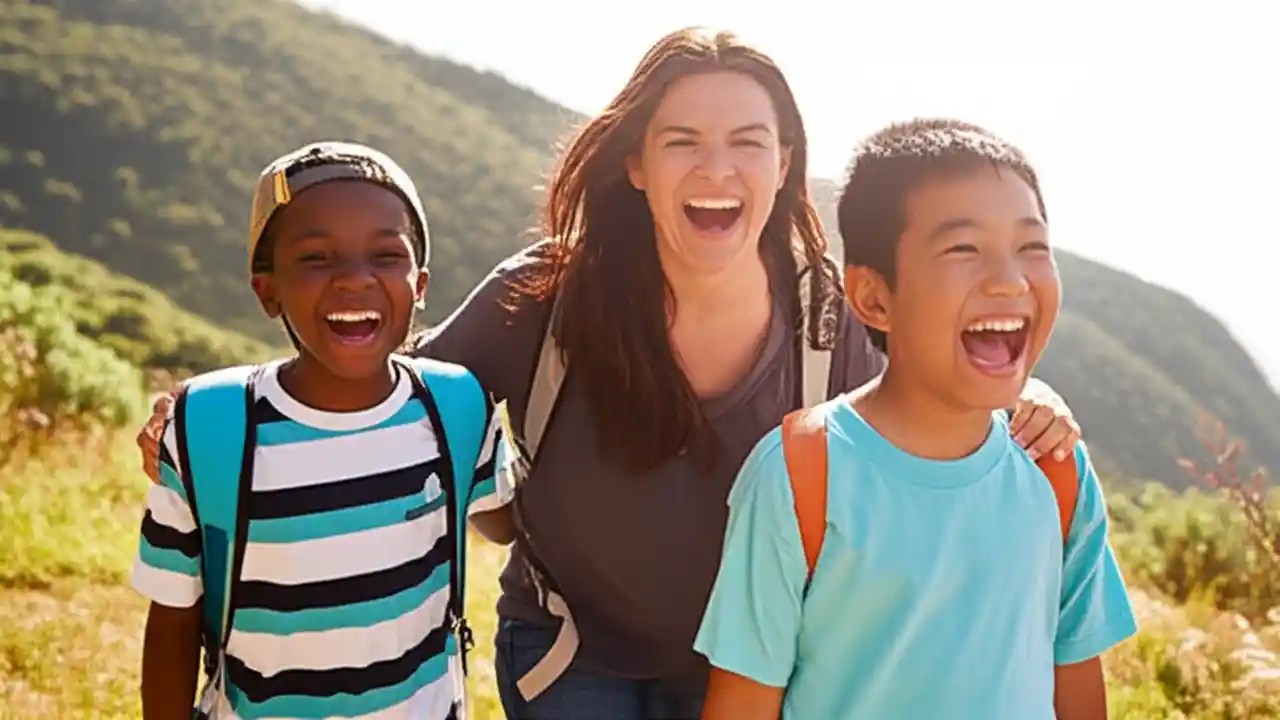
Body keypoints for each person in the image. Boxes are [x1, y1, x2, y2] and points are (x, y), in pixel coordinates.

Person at [136, 30, 1083, 720]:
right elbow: (376, 390)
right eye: (683, 141)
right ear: (635, 164)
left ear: (786, 163)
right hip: (573, 658)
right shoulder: (542, 297)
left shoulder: (832, 315)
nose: (719, 167)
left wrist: (1028, 396)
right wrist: (205, 415)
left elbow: (939, 381)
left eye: (749, 141)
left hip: (762, 665)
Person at [694, 119, 1138, 720]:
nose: (1009, 281)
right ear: (874, 298)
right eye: (963, 249)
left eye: (1032, 248)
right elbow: (743, 704)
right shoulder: (800, 475)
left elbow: (1076, 681)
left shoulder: (1055, 469)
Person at [131, 141, 511, 720]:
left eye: (386, 256)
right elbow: (173, 624)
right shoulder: (209, 424)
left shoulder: (456, 406)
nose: (354, 280)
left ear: (421, 283)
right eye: (316, 258)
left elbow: (507, 522)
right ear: (268, 289)